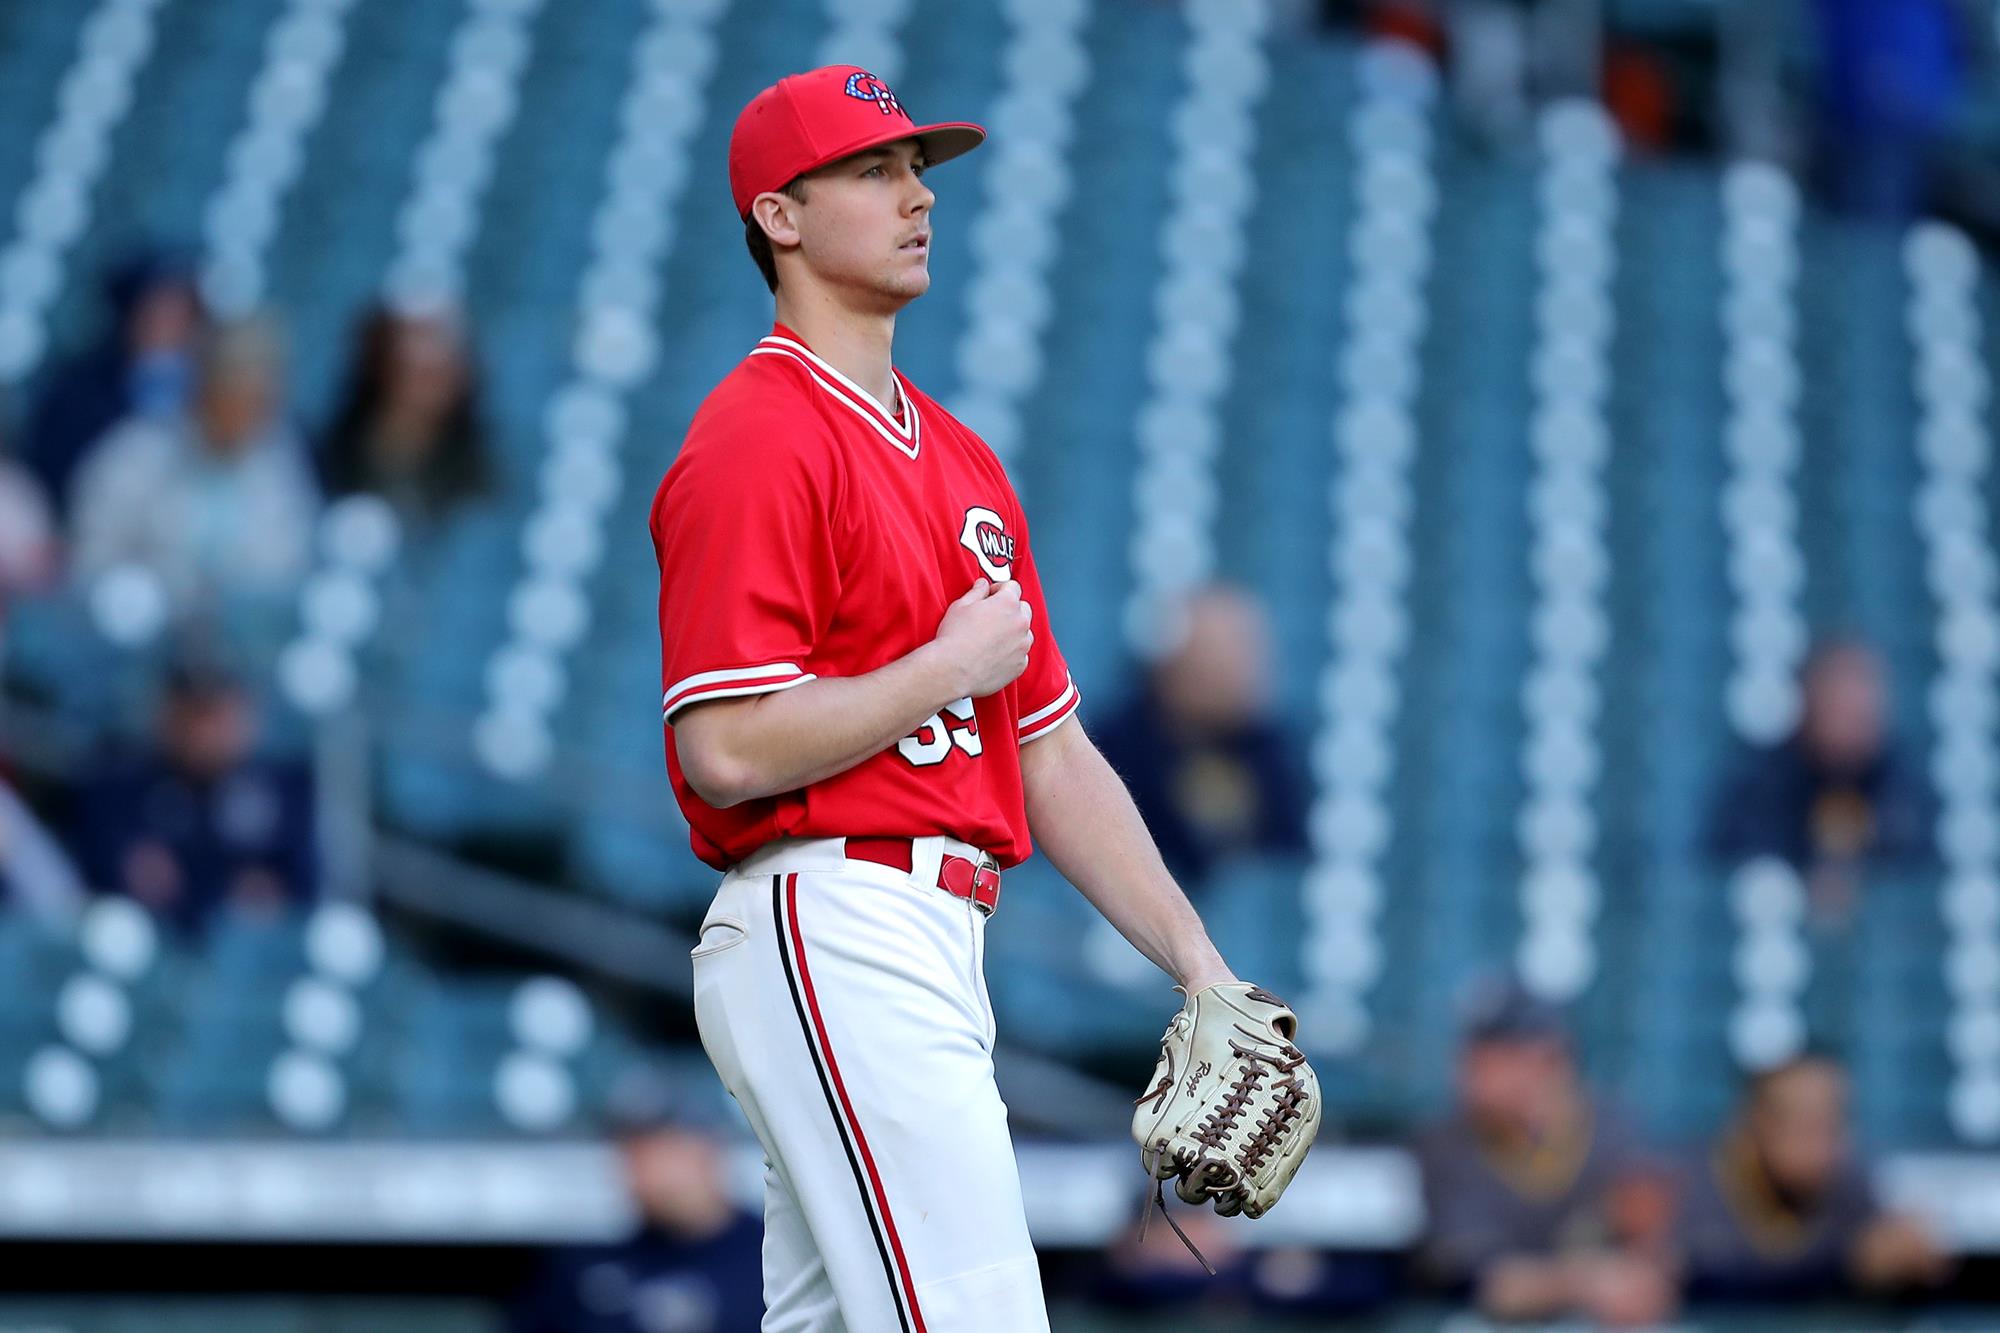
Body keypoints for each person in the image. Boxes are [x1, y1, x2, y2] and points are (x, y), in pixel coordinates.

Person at [652, 66, 1307, 1331]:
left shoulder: (958, 458)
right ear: (778, 218)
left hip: (932, 931)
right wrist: (942, 670)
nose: (915, 199)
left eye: (918, 172)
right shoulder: (759, 433)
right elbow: (723, 747)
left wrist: (1199, 967)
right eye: (871, 171)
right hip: (834, 910)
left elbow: (1050, 754)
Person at [1413, 976, 1677, 1327]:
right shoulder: (1445, 1144)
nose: (1471, 1075)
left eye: (1496, 1057)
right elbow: (1484, 1283)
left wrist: (1640, 1273)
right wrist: (1584, 1281)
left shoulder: (1616, 1128)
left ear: (1550, 1058)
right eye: (1473, 1056)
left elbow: (1654, 1260)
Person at [68, 315, 319, 612]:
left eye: (262, 399)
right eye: (237, 389)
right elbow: (91, 561)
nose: (250, 411)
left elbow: (290, 570)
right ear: (205, 385)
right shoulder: (135, 454)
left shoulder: (281, 469)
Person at [1678, 1052, 1950, 1302]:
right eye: (1807, 1125)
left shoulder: (1847, 1182)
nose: (1824, 1146)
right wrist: (1847, 1266)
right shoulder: (1698, 1188)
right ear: (1756, 1123)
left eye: (1834, 1124)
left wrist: (1907, 1264)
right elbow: (1716, 1277)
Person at [74, 656, 316, 936]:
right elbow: (98, 883)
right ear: (168, 717)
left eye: (217, 717)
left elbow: (302, 887)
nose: (205, 734)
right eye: (194, 715)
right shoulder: (118, 786)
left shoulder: (287, 789)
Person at [510, 1066, 763, 1333]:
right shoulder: (587, 1268)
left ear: (709, 1150)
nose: (651, 1173)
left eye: (666, 1150)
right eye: (635, 1154)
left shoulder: (773, 1254)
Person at [1092, 583, 1308, 888]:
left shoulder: (1270, 750)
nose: (1245, 669)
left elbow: (1285, 855)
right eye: (1228, 650)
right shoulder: (1115, 744)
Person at [1707, 639, 1935, 921]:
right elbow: (1740, 855)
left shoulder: (1902, 783)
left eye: (1865, 708)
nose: (1857, 718)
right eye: (1843, 705)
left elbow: (1916, 863)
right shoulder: (1766, 782)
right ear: (1811, 701)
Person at [21, 245, 206, 512]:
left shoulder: (208, 391)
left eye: (181, 315)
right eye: (155, 314)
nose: (168, 325)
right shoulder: (76, 393)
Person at [319, 301, 491, 524]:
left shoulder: (476, 469)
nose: (428, 389)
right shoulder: (331, 458)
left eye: (438, 374)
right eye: (419, 374)